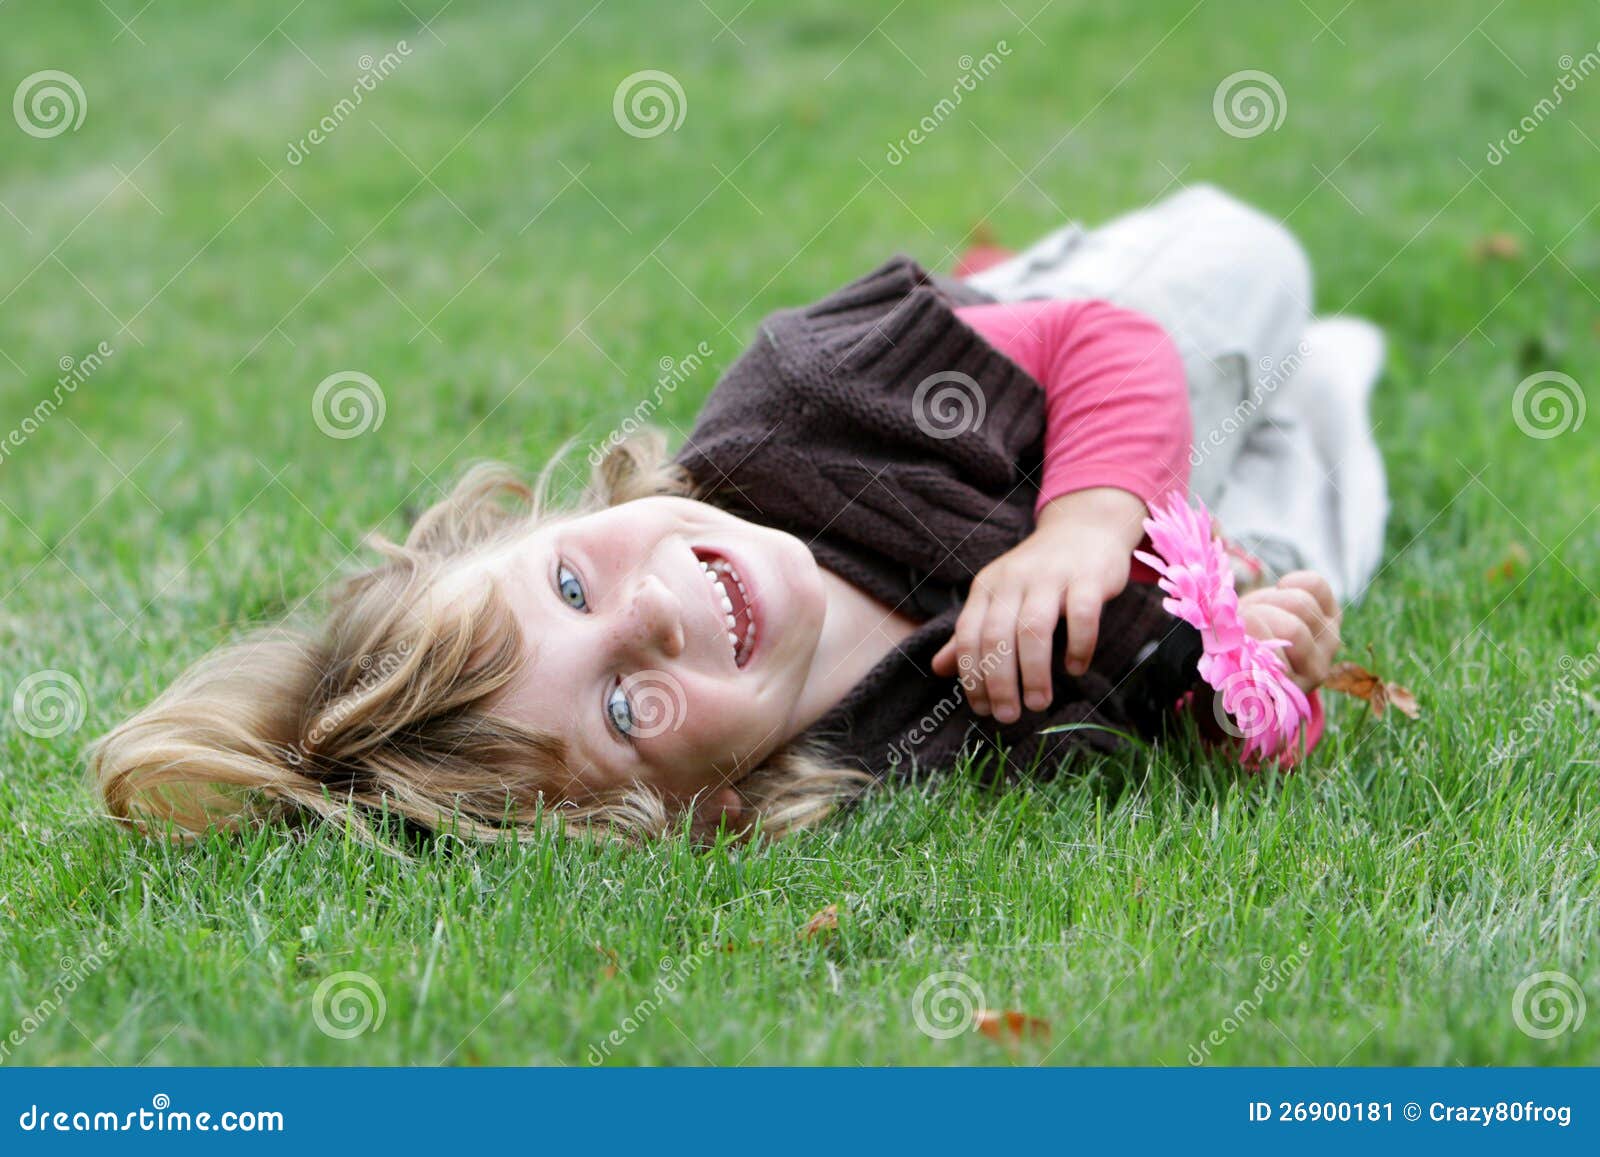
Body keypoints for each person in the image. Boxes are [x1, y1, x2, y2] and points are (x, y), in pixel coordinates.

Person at [90, 186, 1383, 850]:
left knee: (1240, 265)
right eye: (621, 710)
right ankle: (1270, 423)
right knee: (1323, 533)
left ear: (543, 520)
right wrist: (1239, 649)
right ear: (697, 809)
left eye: (574, 591)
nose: (651, 615)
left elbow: (1118, 344)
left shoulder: (803, 402)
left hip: (1060, 357)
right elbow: (1128, 688)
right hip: (1158, 506)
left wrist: (1086, 528)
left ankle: (1000, 302)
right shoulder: (861, 761)